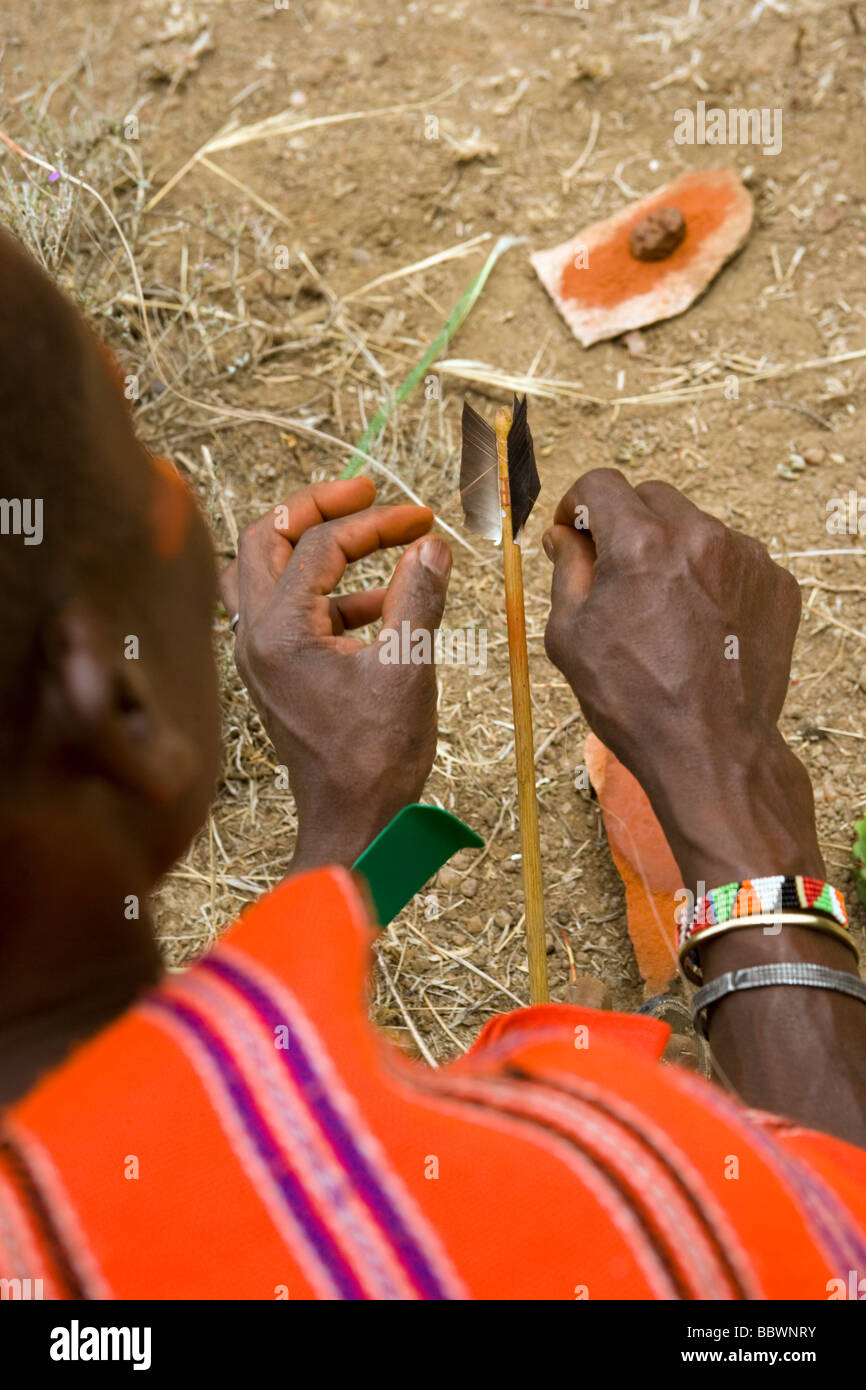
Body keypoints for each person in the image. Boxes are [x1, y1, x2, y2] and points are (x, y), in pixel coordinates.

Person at [1, 226, 865, 1300]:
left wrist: (341, 831)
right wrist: (736, 799)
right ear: (114, 702)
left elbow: (229, 1138)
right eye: (140, 462)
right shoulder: (585, 1216)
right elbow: (833, 1260)